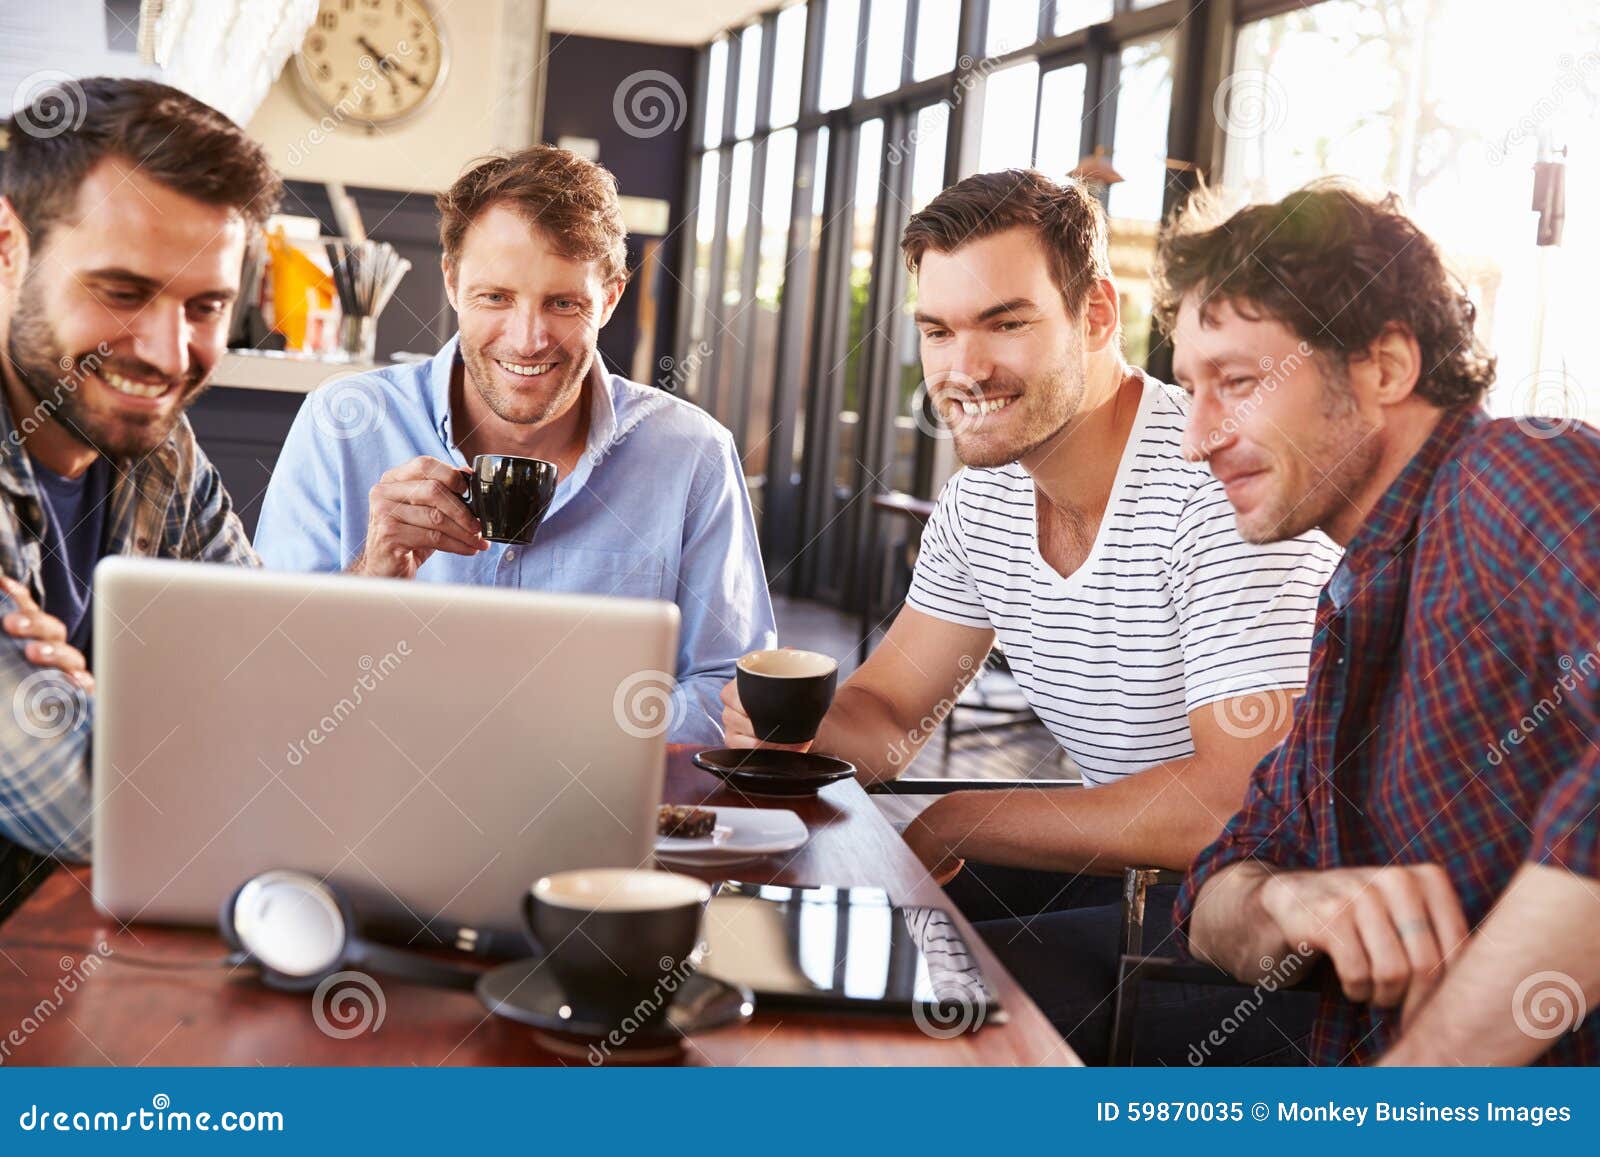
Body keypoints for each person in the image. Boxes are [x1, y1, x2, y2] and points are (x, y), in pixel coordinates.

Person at [721, 170, 1341, 1063]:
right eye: (938, 330)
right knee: (779, 939)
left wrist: (956, 820)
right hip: (1136, 874)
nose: (963, 369)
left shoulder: (1218, 486)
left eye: (1005, 323)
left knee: (907, 1007)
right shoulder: (983, 503)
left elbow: (1229, 802)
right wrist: (791, 721)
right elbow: (891, 717)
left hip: (1264, 917)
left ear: (1095, 316)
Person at [1161, 180, 1600, 1065]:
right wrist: (1287, 902)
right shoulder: (1355, 604)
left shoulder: (1516, 474)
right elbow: (1211, 890)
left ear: (1386, 367)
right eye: (1188, 390)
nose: (1196, 437)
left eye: (1238, 382)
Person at [255, 146, 773, 745]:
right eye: (495, 297)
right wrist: (370, 576)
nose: (528, 341)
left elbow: (729, 688)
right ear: (451, 280)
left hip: (595, 810)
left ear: (608, 297)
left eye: (563, 303)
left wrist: (557, 737)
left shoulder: (691, 452)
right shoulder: (342, 424)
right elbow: (273, 672)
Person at [0, 78, 277, 878]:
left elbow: (280, 700)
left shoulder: (163, 451)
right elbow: (90, 804)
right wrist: (160, 712)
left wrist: (95, 706)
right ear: (9, 248)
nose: (166, 352)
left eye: (205, 307)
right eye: (123, 292)